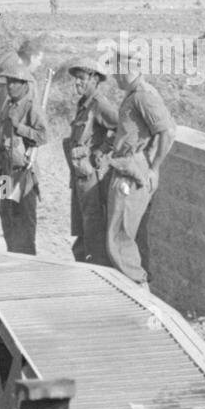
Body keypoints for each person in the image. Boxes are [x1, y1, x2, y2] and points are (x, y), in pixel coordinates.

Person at [104, 63, 175, 287]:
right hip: (127, 166)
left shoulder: (143, 96)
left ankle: (139, 293)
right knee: (121, 235)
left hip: (132, 171)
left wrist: (154, 168)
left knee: (119, 237)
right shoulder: (134, 95)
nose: (114, 76)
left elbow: (167, 132)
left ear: (126, 69)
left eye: (116, 71)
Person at [0, 53, 48, 255]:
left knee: (25, 219)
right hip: (6, 172)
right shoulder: (7, 107)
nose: (10, 86)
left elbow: (43, 135)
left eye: (15, 83)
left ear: (24, 84)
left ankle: (28, 262)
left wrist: (20, 128)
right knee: (8, 216)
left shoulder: (31, 107)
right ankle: (13, 255)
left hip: (23, 174)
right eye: (8, 83)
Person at [63, 61, 118, 264]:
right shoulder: (84, 104)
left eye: (82, 79)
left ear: (95, 80)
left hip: (91, 178)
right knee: (81, 228)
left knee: (92, 228)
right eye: (76, 78)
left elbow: (120, 127)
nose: (77, 82)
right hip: (79, 175)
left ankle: (94, 272)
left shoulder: (99, 104)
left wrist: (103, 150)